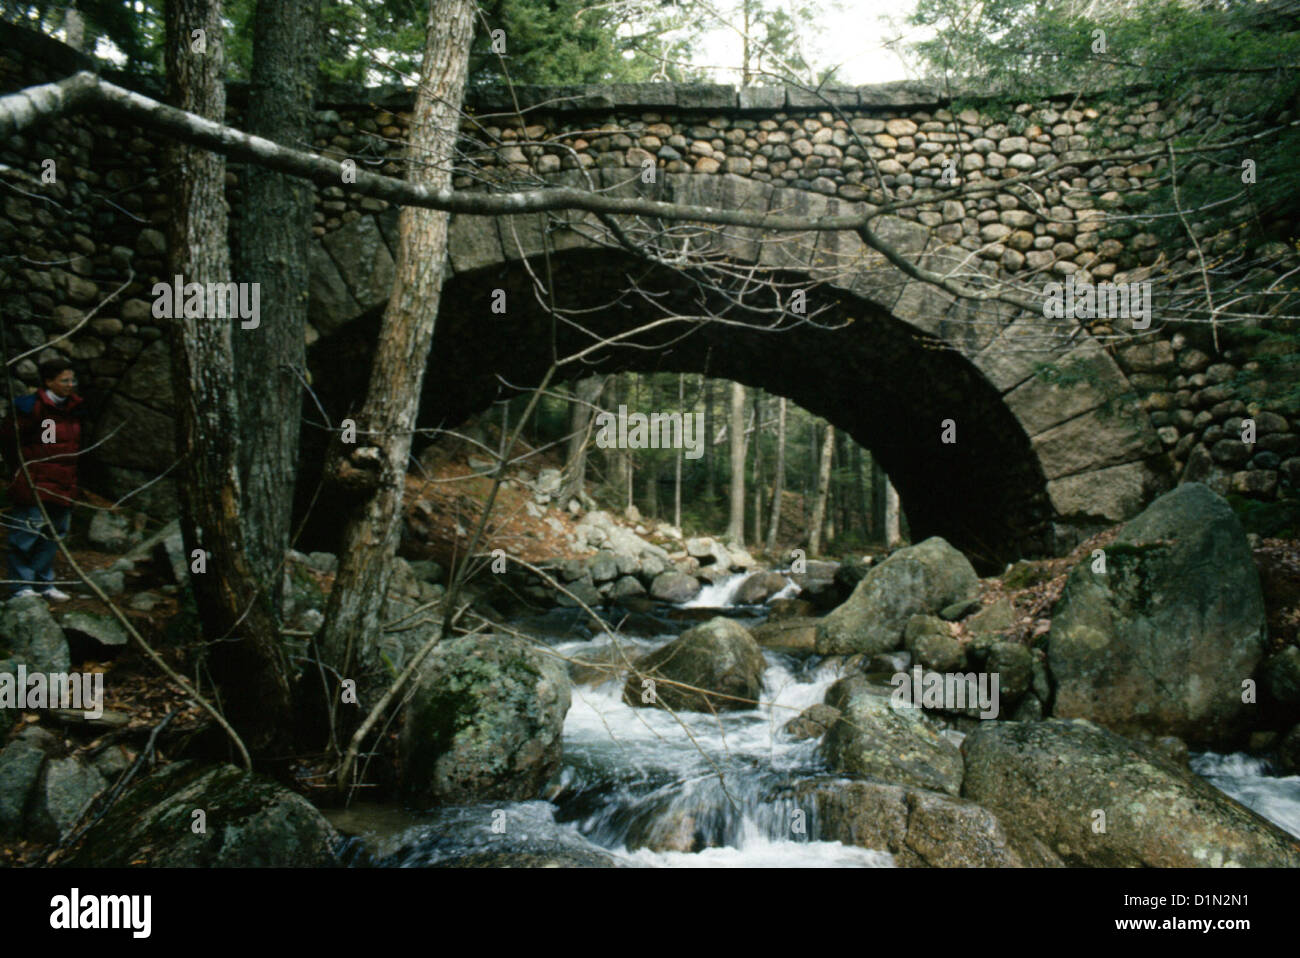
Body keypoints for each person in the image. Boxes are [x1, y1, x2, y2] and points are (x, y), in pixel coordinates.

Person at [1, 360, 84, 600]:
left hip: (64, 483)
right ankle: (20, 584)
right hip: (34, 482)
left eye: (72, 380)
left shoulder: (76, 409)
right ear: (48, 382)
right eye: (64, 380)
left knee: (54, 534)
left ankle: (43, 582)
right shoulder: (30, 408)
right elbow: (10, 441)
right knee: (26, 534)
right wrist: (21, 470)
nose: (70, 385)